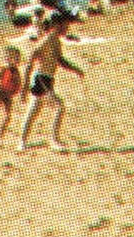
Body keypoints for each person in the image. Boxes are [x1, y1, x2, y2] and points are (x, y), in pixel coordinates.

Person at [18, 12, 84, 151]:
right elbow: (31, 60)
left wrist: (75, 69)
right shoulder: (47, 40)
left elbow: (60, 60)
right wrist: (24, 88)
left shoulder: (56, 41)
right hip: (41, 79)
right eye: (65, 25)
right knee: (59, 107)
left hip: (47, 79)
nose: (67, 28)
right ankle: (54, 140)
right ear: (56, 25)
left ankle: (22, 141)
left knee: (34, 110)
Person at [0, 45, 23, 143]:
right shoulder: (4, 69)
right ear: (9, 59)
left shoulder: (15, 69)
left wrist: (20, 91)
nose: (18, 60)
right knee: (6, 115)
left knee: (8, 116)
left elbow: (18, 81)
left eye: (19, 58)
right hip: (2, 92)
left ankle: (0, 134)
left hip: (9, 94)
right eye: (16, 58)